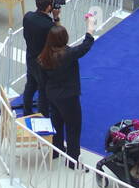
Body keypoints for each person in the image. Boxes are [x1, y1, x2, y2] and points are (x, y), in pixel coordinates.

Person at [36, 20, 97, 168]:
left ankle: (56, 151)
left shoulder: (43, 57)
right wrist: (90, 28)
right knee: (73, 127)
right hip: (68, 97)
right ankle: (73, 160)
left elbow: (42, 82)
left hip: (52, 95)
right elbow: (85, 46)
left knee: (56, 122)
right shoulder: (68, 54)